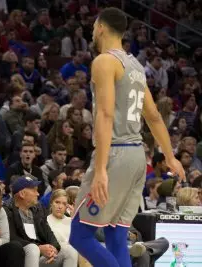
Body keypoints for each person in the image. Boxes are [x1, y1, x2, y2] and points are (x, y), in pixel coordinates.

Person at [69, 8, 186, 267]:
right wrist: (170, 156)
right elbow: (154, 116)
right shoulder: (135, 66)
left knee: (79, 235)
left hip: (116, 153)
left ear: (100, 27)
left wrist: (100, 169)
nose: (91, 31)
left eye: (93, 27)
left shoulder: (103, 61)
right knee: (115, 234)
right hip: (136, 156)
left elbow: (106, 114)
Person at [47, 190, 78, 267]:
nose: (60, 206)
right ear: (51, 203)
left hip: (72, 256)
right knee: (71, 250)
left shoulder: (71, 221)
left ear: (67, 206)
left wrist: (75, 220)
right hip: (51, 257)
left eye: (64, 204)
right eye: (57, 202)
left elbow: (82, 241)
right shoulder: (45, 221)